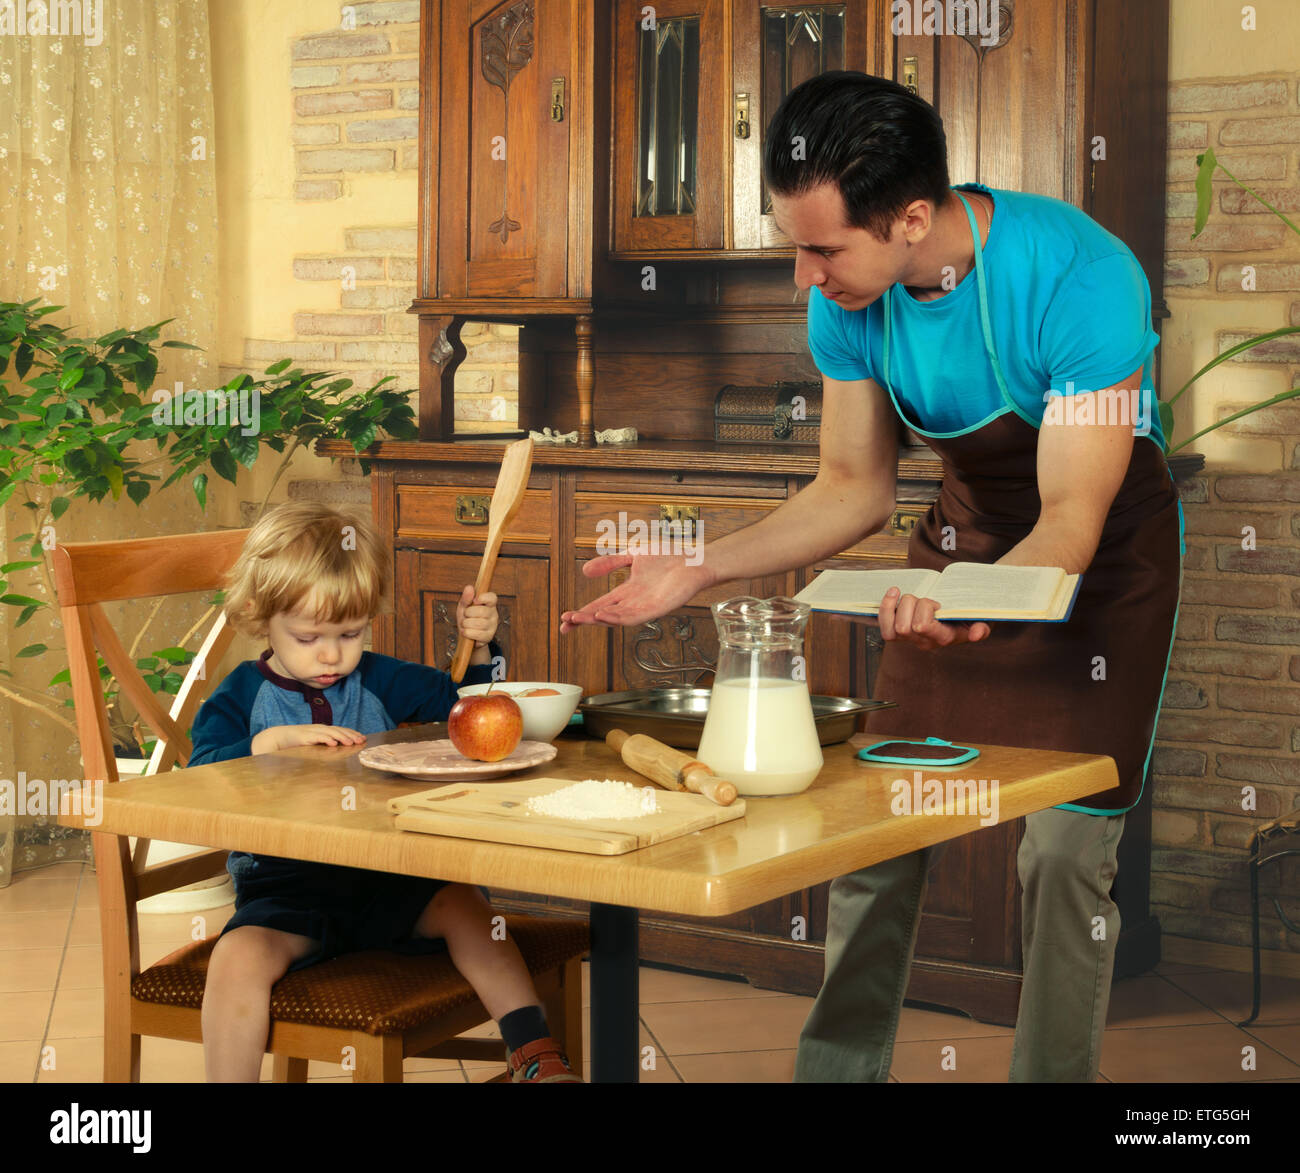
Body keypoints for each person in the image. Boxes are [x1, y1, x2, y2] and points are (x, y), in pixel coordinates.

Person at [560, 71, 1184, 1082]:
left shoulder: (1079, 274)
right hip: (963, 544)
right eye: (793, 245)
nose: (804, 277)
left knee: (1065, 858)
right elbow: (848, 490)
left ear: (910, 218)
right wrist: (700, 566)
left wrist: (961, 602)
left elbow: (1070, 519)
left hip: (1106, 567)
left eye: (822, 249)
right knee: (877, 832)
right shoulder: (848, 302)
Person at [191, 500, 580, 1083]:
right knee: (234, 956)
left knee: (471, 910)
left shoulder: (379, 678)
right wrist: (263, 745)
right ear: (259, 615)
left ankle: (534, 1055)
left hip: (393, 877)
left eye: (349, 633)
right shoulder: (242, 697)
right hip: (288, 893)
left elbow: (467, 709)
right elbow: (198, 781)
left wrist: (479, 649)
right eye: (308, 636)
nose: (331, 654)